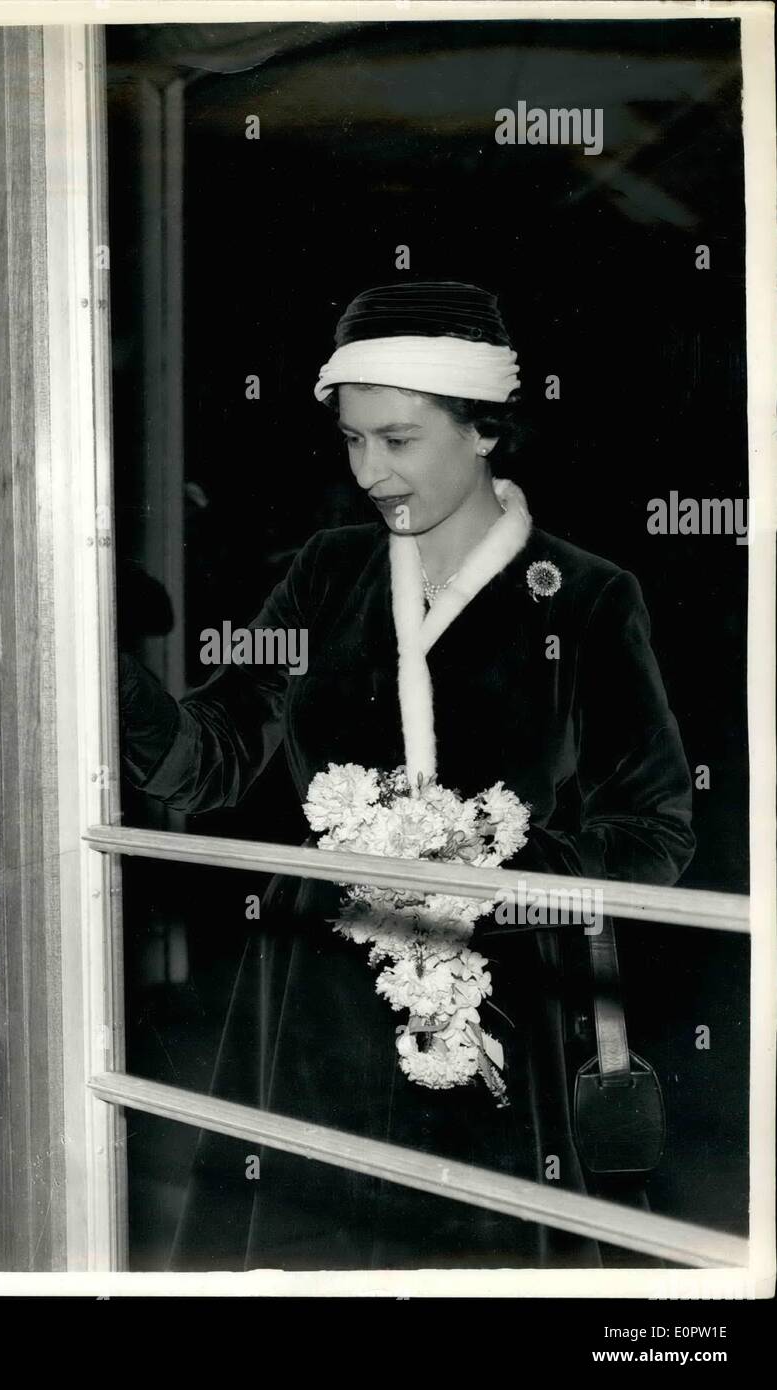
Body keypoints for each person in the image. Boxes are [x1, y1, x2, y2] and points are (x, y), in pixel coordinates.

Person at [119, 280, 695, 1270]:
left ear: (484, 430)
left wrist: (483, 866)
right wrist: (105, 670)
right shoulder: (327, 571)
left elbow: (654, 827)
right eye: (351, 441)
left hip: (506, 1000)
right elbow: (209, 756)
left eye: (398, 439)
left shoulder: (588, 598)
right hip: (312, 1000)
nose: (370, 473)